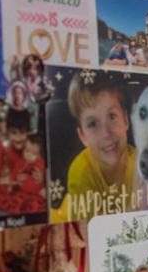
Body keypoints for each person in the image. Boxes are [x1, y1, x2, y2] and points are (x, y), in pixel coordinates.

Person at [58, 73, 135, 222]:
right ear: (83, 137)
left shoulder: (140, 165)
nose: (106, 133)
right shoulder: (80, 172)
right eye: (93, 124)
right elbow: (89, 234)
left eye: (112, 116)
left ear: (126, 120)